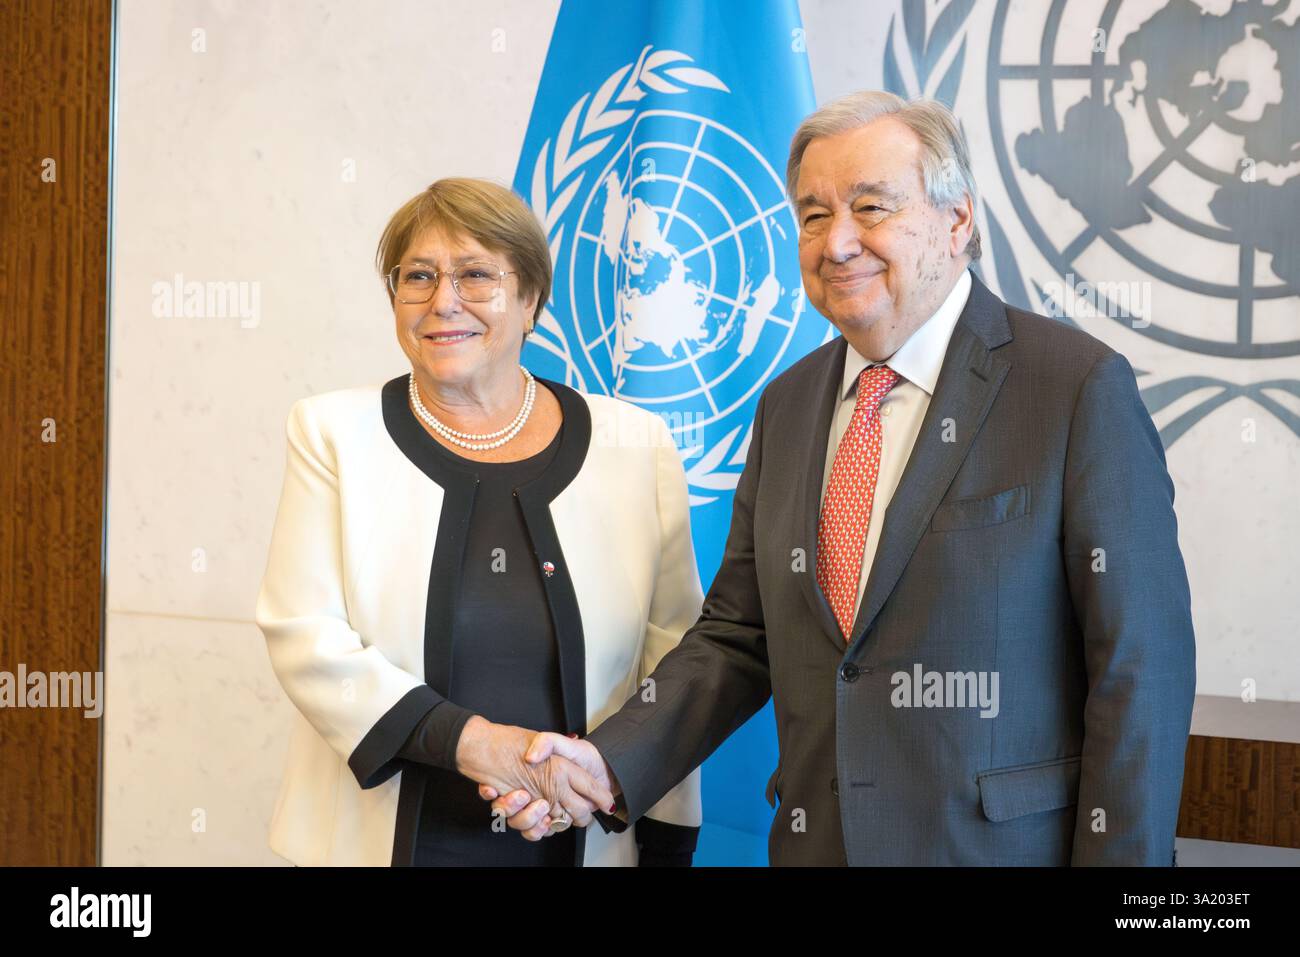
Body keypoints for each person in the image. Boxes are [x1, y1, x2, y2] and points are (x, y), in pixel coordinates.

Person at [484, 91, 1197, 866]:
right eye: (814, 215)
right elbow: (738, 634)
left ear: (958, 220)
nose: (838, 242)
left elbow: (1141, 671)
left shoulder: (1074, 387)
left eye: (871, 206)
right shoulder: (789, 404)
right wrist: (609, 760)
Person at [255, 177, 702, 866]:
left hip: (578, 836)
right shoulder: (333, 432)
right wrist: (486, 747)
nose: (443, 302)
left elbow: (672, 662)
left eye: (475, 275)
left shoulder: (636, 446)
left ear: (530, 299)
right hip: (386, 842)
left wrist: (659, 828)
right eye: (419, 277)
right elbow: (305, 635)